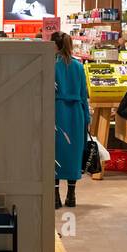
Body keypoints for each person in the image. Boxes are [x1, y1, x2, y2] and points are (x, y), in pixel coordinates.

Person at [53, 31, 90, 208]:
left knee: (56, 152)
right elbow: (84, 94)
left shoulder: (51, 65)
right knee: (74, 153)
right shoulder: (78, 66)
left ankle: (55, 196)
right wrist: (87, 117)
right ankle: (71, 195)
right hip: (76, 112)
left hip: (57, 111)